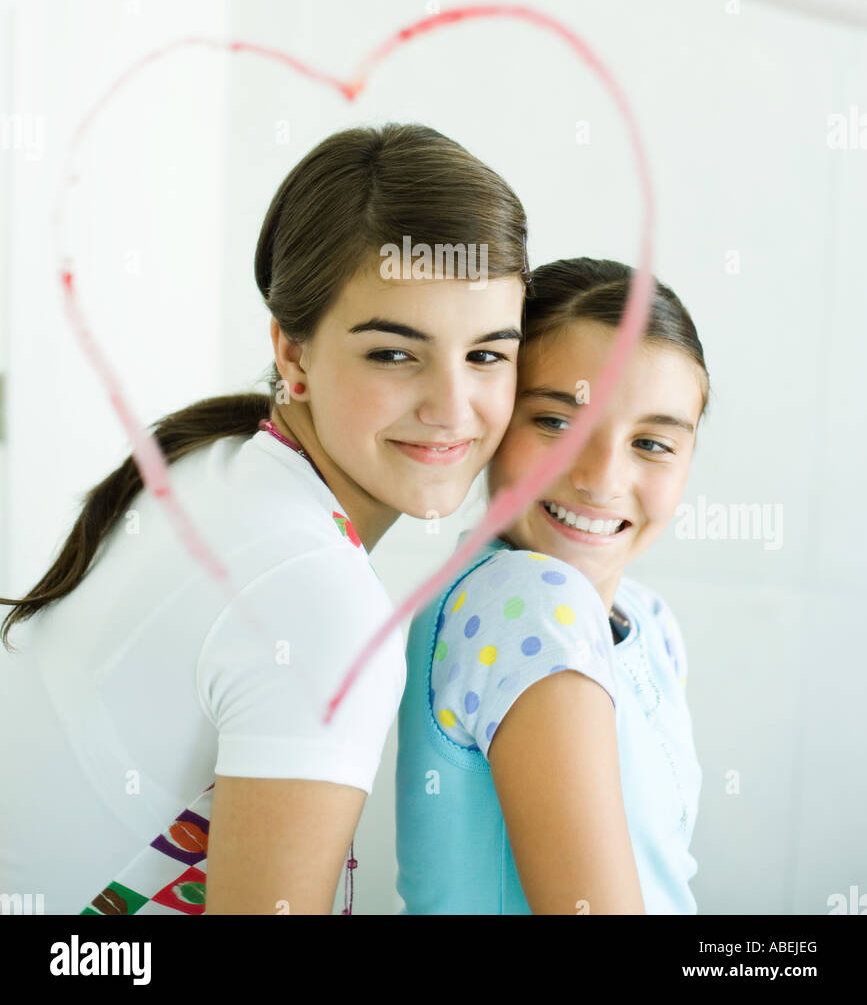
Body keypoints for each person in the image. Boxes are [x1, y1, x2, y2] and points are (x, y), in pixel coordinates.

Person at [0, 122, 529, 915]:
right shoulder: (319, 601)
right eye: (393, 352)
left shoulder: (211, 462)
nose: (452, 408)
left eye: (487, 354)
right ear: (292, 354)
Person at [396, 257, 709, 915]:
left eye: (651, 444)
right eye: (556, 423)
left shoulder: (648, 622)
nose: (599, 479)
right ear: (494, 416)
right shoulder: (529, 603)